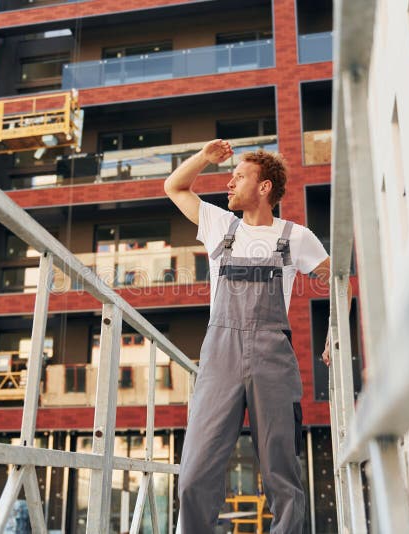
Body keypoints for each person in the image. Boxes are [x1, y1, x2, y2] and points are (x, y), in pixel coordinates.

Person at [164, 139, 331, 533]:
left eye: (239, 176)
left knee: (282, 477)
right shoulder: (220, 225)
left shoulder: (296, 237)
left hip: (272, 355)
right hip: (219, 355)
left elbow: (340, 281)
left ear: (264, 187)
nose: (229, 183)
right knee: (193, 476)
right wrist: (205, 158)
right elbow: (174, 187)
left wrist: (334, 332)